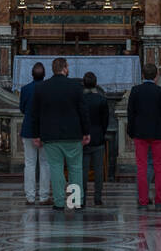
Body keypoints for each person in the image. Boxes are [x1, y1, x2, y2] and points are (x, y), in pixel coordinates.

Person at [31, 56, 90, 211]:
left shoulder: (42, 87)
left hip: (51, 135)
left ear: (53, 69)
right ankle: (75, 201)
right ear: (65, 68)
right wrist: (86, 132)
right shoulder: (75, 86)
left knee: (56, 168)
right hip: (73, 134)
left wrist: (36, 134)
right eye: (67, 67)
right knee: (75, 168)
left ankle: (58, 202)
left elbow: (35, 114)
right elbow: (83, 111)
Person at [127, 63, 161, 210]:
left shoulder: (135, 90)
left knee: (141, 167)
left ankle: (143, 201)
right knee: (159, 168)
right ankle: (159, 201)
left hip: (140, 133)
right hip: (158, 133)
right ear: (156, 76)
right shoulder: (160, 92)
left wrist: (131, 131)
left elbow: (131, 114)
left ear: (142, 75)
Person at [19, 62, 51, 206]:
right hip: (45, 130)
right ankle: (44, 197)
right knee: (45, 163)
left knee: (30, 164)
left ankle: (30, 197)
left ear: (32, 75)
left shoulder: (25, 89)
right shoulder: (49, 88)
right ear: (44, 75)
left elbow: (22, 108)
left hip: (29, 130)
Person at [81, 71, 109, 206]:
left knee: (82, 170)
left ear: (83, 84)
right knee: (98, 170)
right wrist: (101, 132)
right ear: (96, 84)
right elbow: (105, 121)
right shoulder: (102, 100)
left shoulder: (80, 100)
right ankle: (98, 197)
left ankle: (82, 198)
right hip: (98, 137)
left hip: (83, 138)